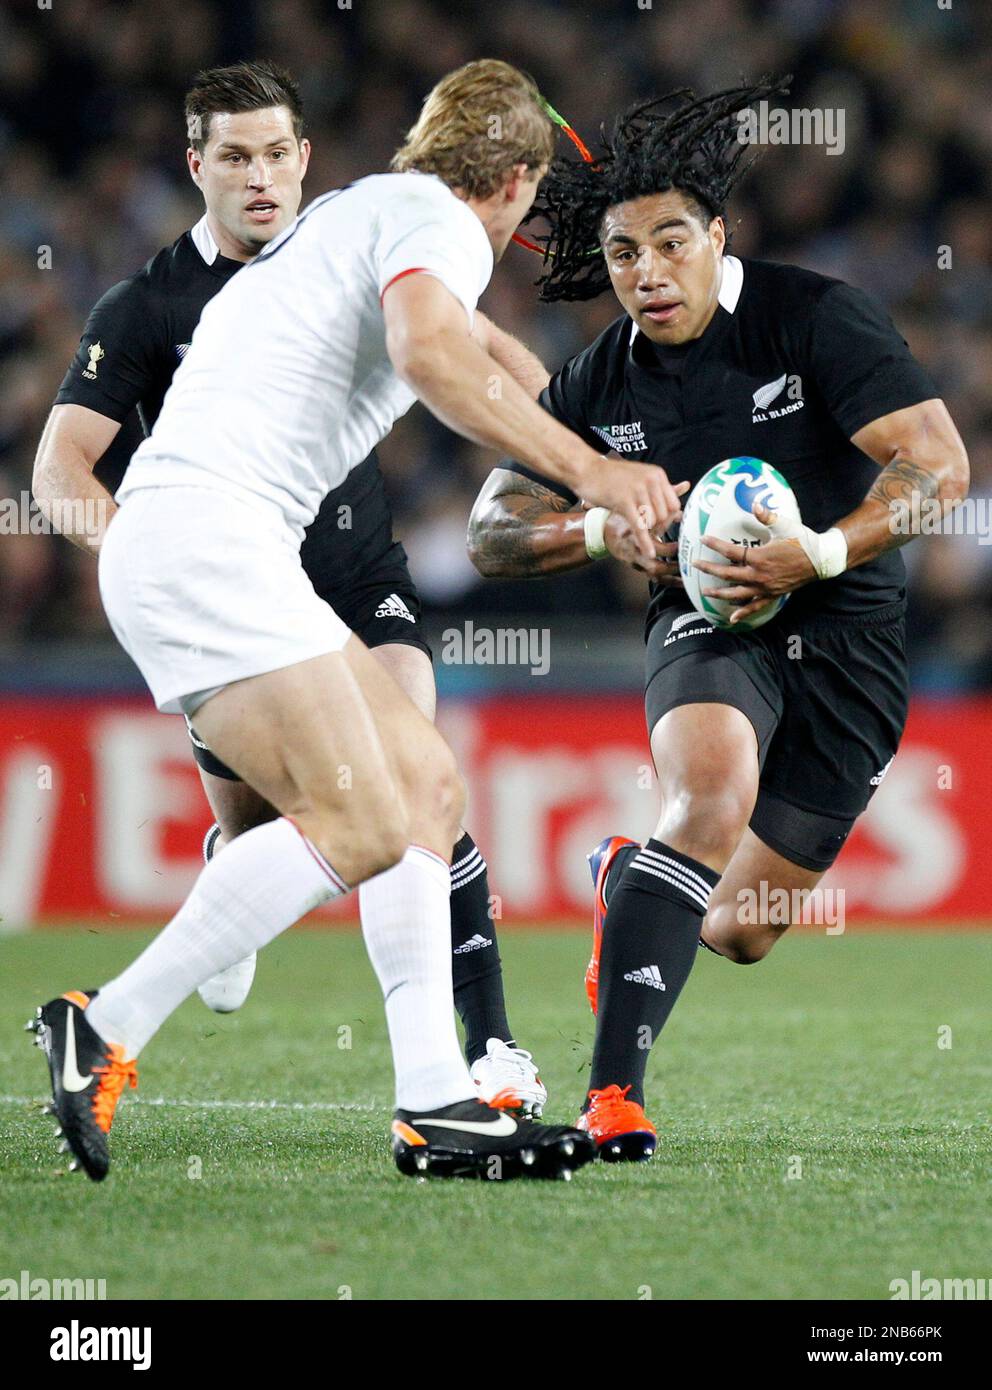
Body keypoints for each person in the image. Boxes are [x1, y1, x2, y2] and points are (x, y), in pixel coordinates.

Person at [28, 58, 680, 1183]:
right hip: (210, 541)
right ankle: (109, 1023)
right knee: (369, 820)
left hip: (203, 543)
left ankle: (437, 1100)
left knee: (423, 789)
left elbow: (486, 356)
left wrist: (590, 455)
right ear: (516, 178)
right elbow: (434, 358)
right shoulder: (431, 222)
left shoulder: (371, 213)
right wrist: (592, 475)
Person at [466, 81, 969, 1160]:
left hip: (848, 640)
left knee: (738, 930)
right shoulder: (598, 380)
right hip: (710, 623)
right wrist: (603, 534)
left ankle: (626, 880)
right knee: (704, 794)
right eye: (619, 254)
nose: (646, 273)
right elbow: (490, 534)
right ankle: (613, 1094)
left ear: (717, 236)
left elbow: (935, 465)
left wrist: (820, 548)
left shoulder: (813, 318)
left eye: (670, 242)